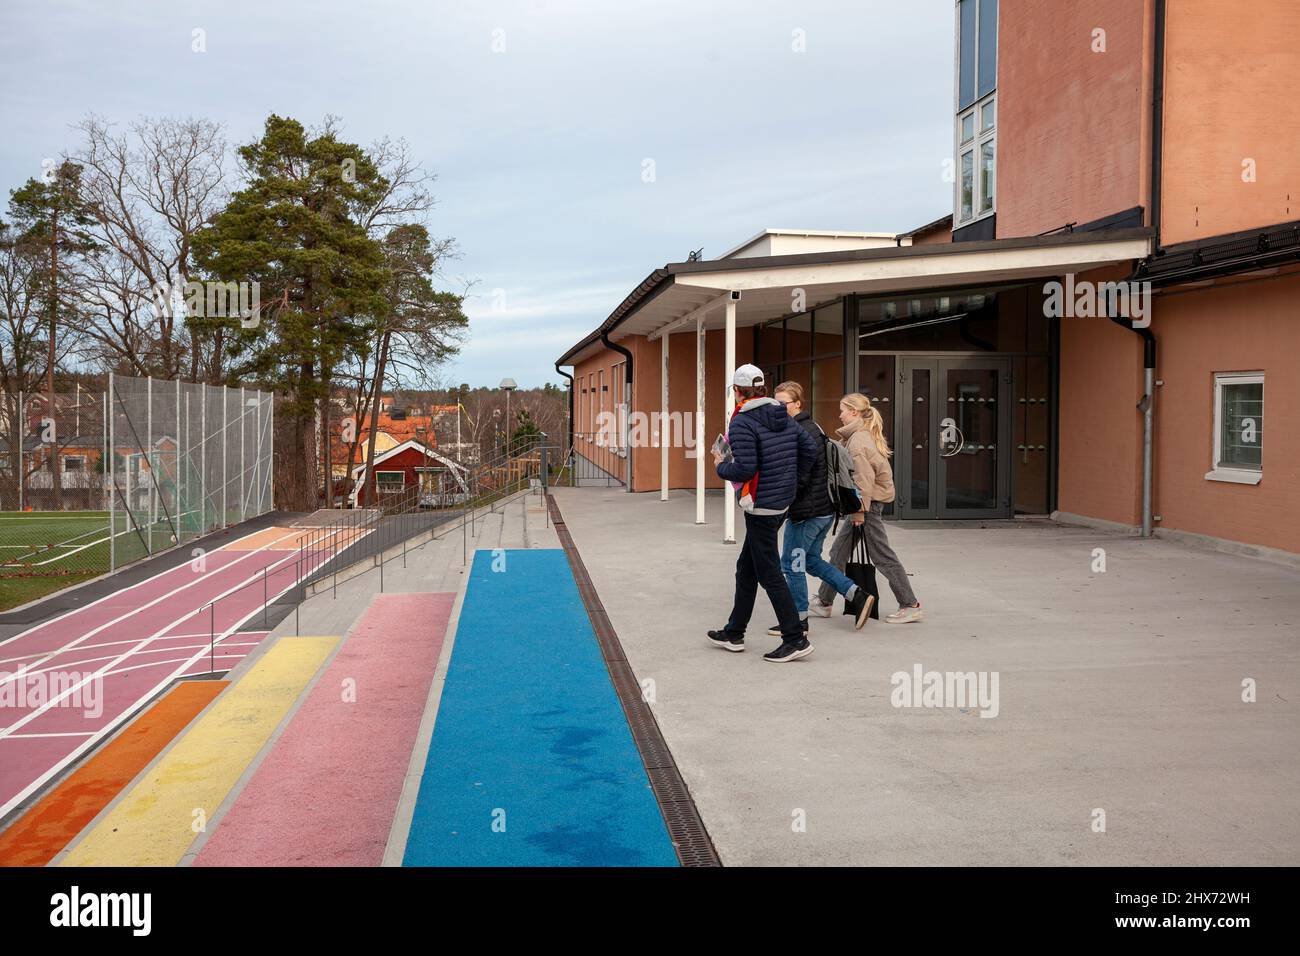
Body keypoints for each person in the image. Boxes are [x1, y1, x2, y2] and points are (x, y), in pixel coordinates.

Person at [707, 364, 820, 662]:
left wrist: (720, 464)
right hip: (780, 502)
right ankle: (735, 632)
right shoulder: (780, 413)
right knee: (747, 567)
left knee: (769, 572)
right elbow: (809, 449)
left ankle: (795, 638)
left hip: (760, 506)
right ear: (763, 389)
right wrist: (792, 483)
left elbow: (744, 468)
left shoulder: (742, 421)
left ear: (736, 391)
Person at [769, 381, 874, 634]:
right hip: (823, 509)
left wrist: (781, 499)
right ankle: (856, 594)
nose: (779, 408)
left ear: (797, 404)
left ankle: (798, 621)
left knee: (791, 564)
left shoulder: (799, 431)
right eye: (776, 403)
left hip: (808, 511)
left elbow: (801, 476)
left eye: (784, 403)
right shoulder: (811, 426)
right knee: (811, 559)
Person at [809, 392, 923, 624]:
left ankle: (910, 604)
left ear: (854, 412)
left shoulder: (858, 441)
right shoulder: (856, 436)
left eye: (842, 410)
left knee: (882, 555)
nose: (839, 415)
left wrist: (859, 510)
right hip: (864, 505)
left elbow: (862, 480)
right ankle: (824, 600)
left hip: (867, 507)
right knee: (839, 552)